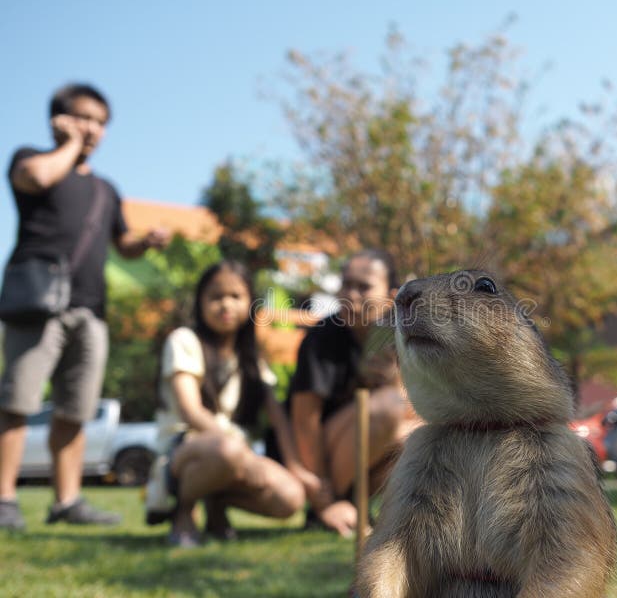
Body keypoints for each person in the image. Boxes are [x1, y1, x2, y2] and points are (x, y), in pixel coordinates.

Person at [0, 83, 170, 530]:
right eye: (82, 118)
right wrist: (70, 144)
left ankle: (67, 500)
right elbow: (35, 179)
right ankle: (3, 500)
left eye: (99, 122)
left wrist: (146, 242)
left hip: (90, 310)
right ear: (58, 119)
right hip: (37, 303)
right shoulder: (29, 158)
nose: (92, 129)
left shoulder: (105, 190)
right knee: (17, 404)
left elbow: (124, 244)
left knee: (73, 411)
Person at [145, 260, 309, 547]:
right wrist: (244, 454)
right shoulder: (184, 340)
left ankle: (216, 505)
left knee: (290, 497)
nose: (225, 305)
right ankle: (183, 512)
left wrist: (298, 470)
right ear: (200, 301)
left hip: (230, 452)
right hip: (184, 449)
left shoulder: (252, 360)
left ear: (249, 303)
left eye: (235, 296)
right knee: (228, 449)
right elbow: (190, 411)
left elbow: (280, 422)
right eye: (215, 296)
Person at [288, 249, 420, 537]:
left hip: (370, 455)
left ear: (391, 295)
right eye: (346, 284)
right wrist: (324, 501)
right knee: (388, 406)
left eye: (363, 287)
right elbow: (303, 423)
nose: (351, 294)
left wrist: (394, 380)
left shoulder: (405, 340)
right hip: (324, 456)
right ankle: (336, 503)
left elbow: (419, 413)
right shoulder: (322, 339)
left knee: (423, 435)